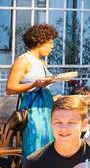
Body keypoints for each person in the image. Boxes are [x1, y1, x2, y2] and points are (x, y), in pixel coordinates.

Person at [5, 22, 60, 158]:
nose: (52, 46)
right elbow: (10, 88)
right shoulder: (23, 60)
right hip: (34, 110)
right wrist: (34, 84)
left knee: (47, 143)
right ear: (40, 41)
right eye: (50, 42)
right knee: (35, 143)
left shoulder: (41, 62)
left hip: (46, 108)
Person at [20, 94, 90, 168]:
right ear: (51, 123)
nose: (63, 129)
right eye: (58, 122)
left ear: (84, 125)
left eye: (71, 123)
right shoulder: (33, 163)